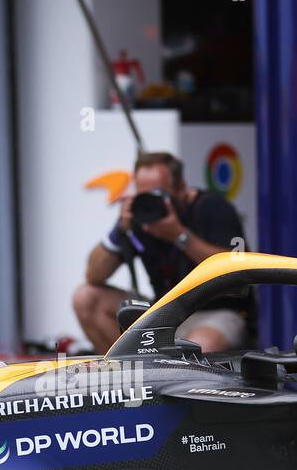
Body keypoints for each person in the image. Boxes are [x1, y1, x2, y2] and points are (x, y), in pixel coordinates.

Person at [73, 151, 248, 355]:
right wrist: (120, 229)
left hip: (214, 312)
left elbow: (237, 269)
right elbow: (93, 274)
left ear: (181, 188)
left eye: (157, 196)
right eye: (142, 196)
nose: (150, 204)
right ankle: (129, 374)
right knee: (85, 297)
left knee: (198, 348)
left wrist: (180, 236)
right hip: (162, 310)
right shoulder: (140, 216)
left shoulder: (211, 207)